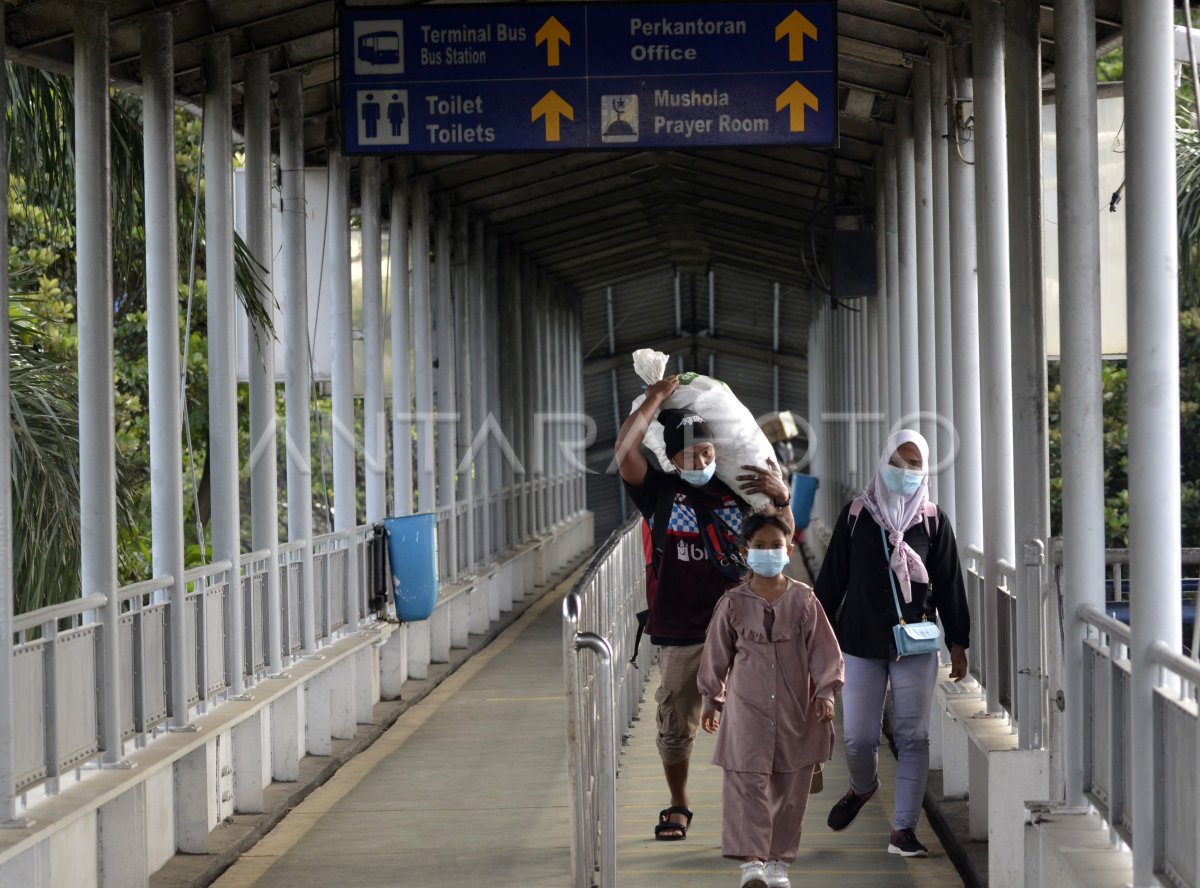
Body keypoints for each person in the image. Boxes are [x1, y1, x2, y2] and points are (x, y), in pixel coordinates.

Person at [616, 374, 794, 841]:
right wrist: (653, 400)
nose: (702, 460)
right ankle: (679, 803)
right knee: (676, 721)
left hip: (743, 629)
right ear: (673, 460)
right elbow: (625, 455)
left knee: (758, 718)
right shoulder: (660, 493)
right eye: (691, 454)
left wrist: (781, 498)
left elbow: (781, 541)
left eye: (708, 452)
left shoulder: (737, 493)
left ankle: (755, 804)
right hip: (681, 626)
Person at [814, 429, 971, 857]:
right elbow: (831, 583)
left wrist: (959, 641)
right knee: (858, 739)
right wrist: (813, 641)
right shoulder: (856, 515)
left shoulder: (932, 520)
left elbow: (950, 582)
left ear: (926, 470)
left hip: (915, 643)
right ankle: (863, 787)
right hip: (859, 641)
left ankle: (903, 830)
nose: (904, 472)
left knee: (913, 737)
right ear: (883, 462)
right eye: (897, 463)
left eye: (914, 464)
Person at [698, 514, 844, 888]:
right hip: (747, 709)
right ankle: (752, 863)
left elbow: (825, 653)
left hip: (797, 710)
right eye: (759, 546)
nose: (767, 552)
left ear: (789, 549)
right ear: (745, 552)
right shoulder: (732, 603)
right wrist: (711, 699)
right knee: (746, 784)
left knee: (791, 791)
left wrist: (826, 692)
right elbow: (716, 655)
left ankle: (779, 862)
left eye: (775, 545)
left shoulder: (805, 601)